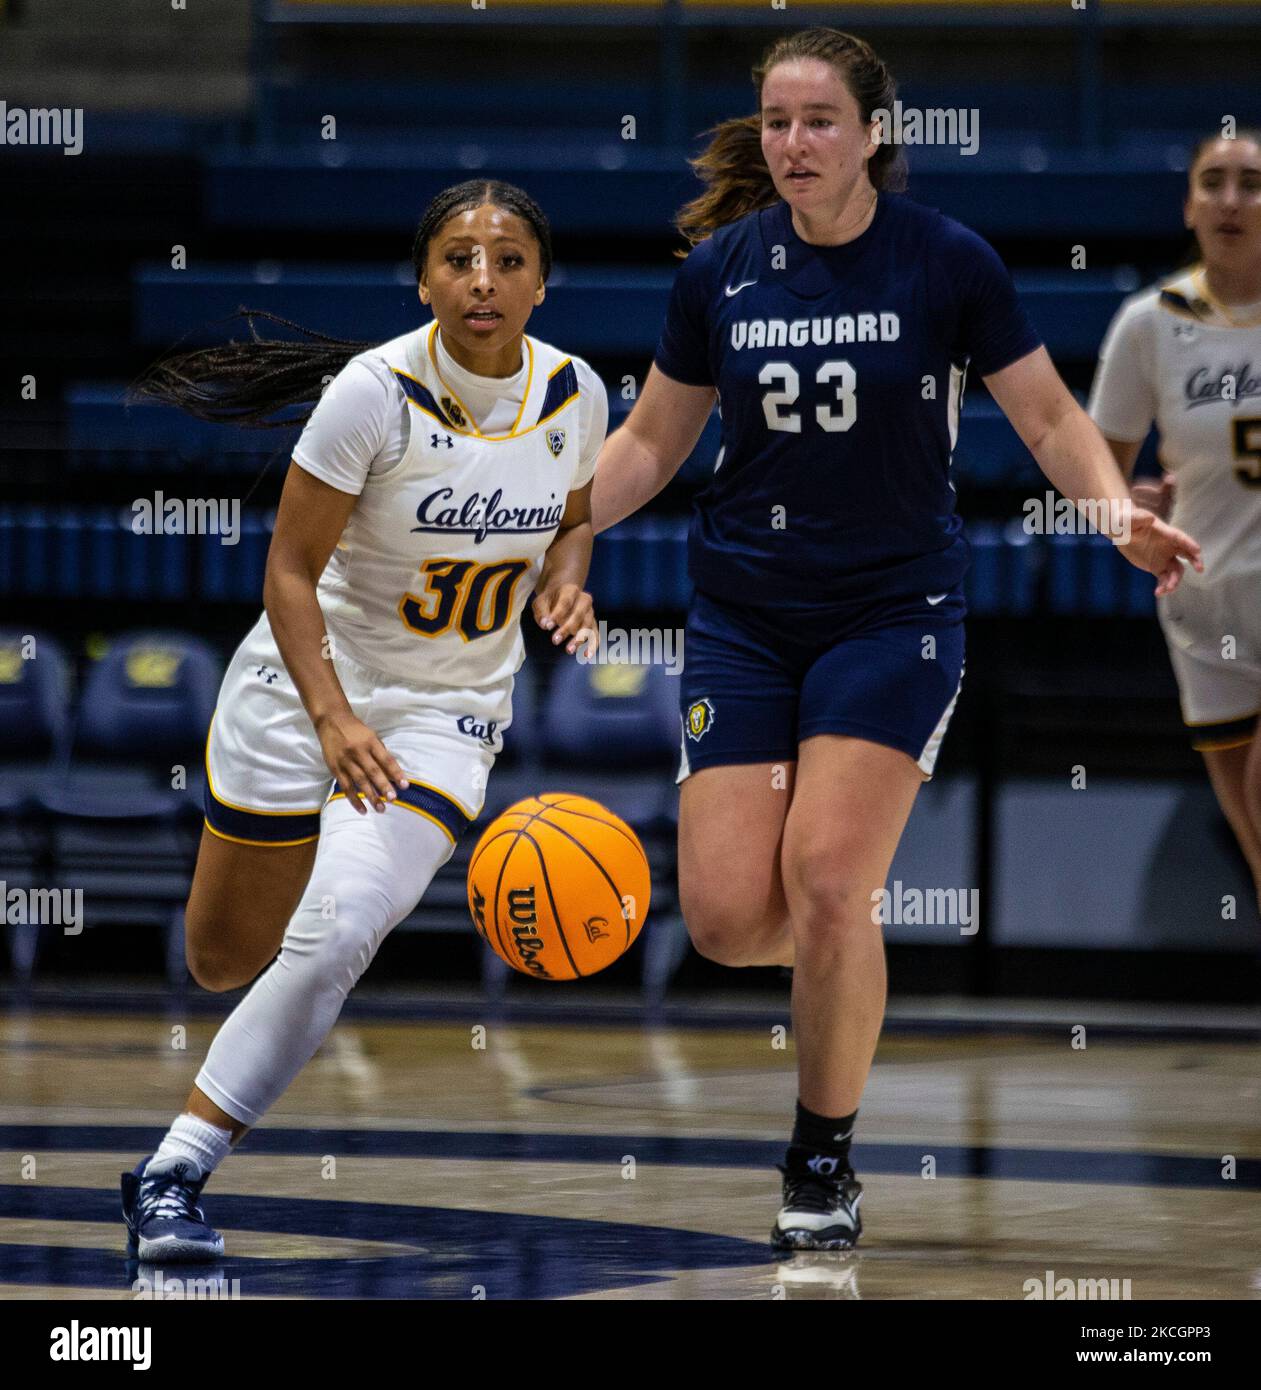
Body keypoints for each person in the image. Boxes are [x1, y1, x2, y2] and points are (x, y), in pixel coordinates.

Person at [590, 27, 1202, 1251]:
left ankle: (820, 1161)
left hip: (891, 612)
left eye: (819, 120)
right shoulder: (720, 271)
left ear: (877, 133)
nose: (793, 143)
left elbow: (1043, 413)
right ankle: (842, 951)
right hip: (744, 615)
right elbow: (651, 444)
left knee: (824, 878)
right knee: (720, 918)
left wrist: (1110, 512)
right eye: (774, 121)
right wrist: (550, 523)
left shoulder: (944, 262)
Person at [120, 180, 606, 1261]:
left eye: (509, 259)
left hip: (445, 715)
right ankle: (253, 997)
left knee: (336, 933)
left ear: (540, 279)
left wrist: (566, 579)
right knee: (219, 955)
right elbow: (287, 571)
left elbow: (575, 515)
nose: (484, 279)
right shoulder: (371, 393)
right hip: (302, 694)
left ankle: (171, 1173)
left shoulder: (578, 394)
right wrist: (333, 717)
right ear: (424, 277)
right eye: (459, 259)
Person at [1090, 128, 1261, 916]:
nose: (1231, 200)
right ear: (1188, 204)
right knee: (1252, 837)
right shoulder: (1148, 323)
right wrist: (1128, 506)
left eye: (1250, 183)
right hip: (1202, 606)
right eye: (1213, 182)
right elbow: (1096, 470)